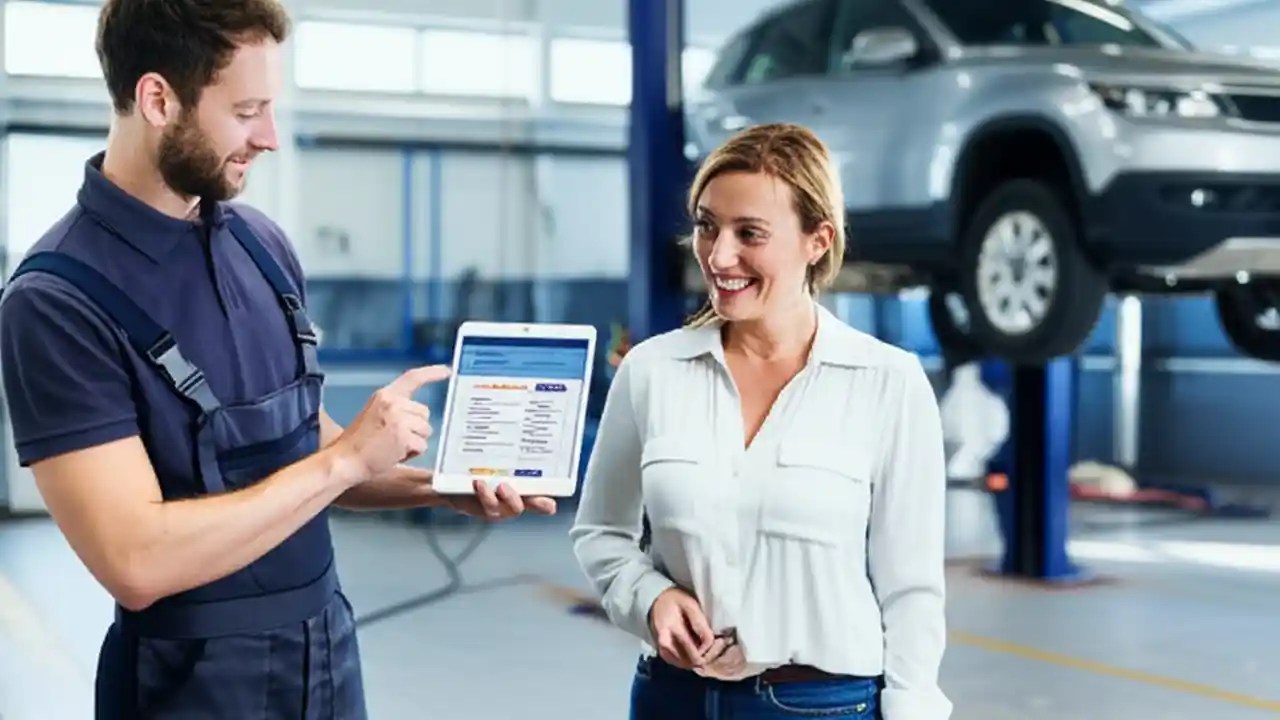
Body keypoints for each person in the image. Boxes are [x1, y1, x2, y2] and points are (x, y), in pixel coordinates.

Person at [0, 1, 556, 717]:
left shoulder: (261, 246)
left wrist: (434, 487)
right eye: (247, 110)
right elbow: (136, 561)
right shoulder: (56, 299)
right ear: (158, 98)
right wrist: (350, 460)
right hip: (188, 684)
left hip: (326, 651)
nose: (269, 138)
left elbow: (301, 449)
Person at [570, 123, 951, 719]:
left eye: (749, 233)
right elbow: (601, 532)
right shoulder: (652, 370)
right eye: (706, 226)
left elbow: (912, 591)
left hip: (823, 704)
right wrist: (650, 598)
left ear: (817, 240)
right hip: (672, 699)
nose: (719, 256)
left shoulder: (887, 383)